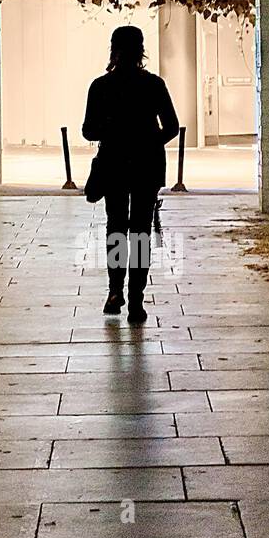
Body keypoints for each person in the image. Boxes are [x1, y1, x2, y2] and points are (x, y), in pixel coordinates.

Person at [82, 25, 180, 323]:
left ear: (113, 50)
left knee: (116, 228)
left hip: (113, 165)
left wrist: (113, 133)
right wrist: (148, 142)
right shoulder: (154, 85)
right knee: (141, 232)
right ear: (141, 51)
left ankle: (115, 291)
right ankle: (136, 301)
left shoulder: (100, 86)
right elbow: (172, 127)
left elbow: (88, 130)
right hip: (147, 166)